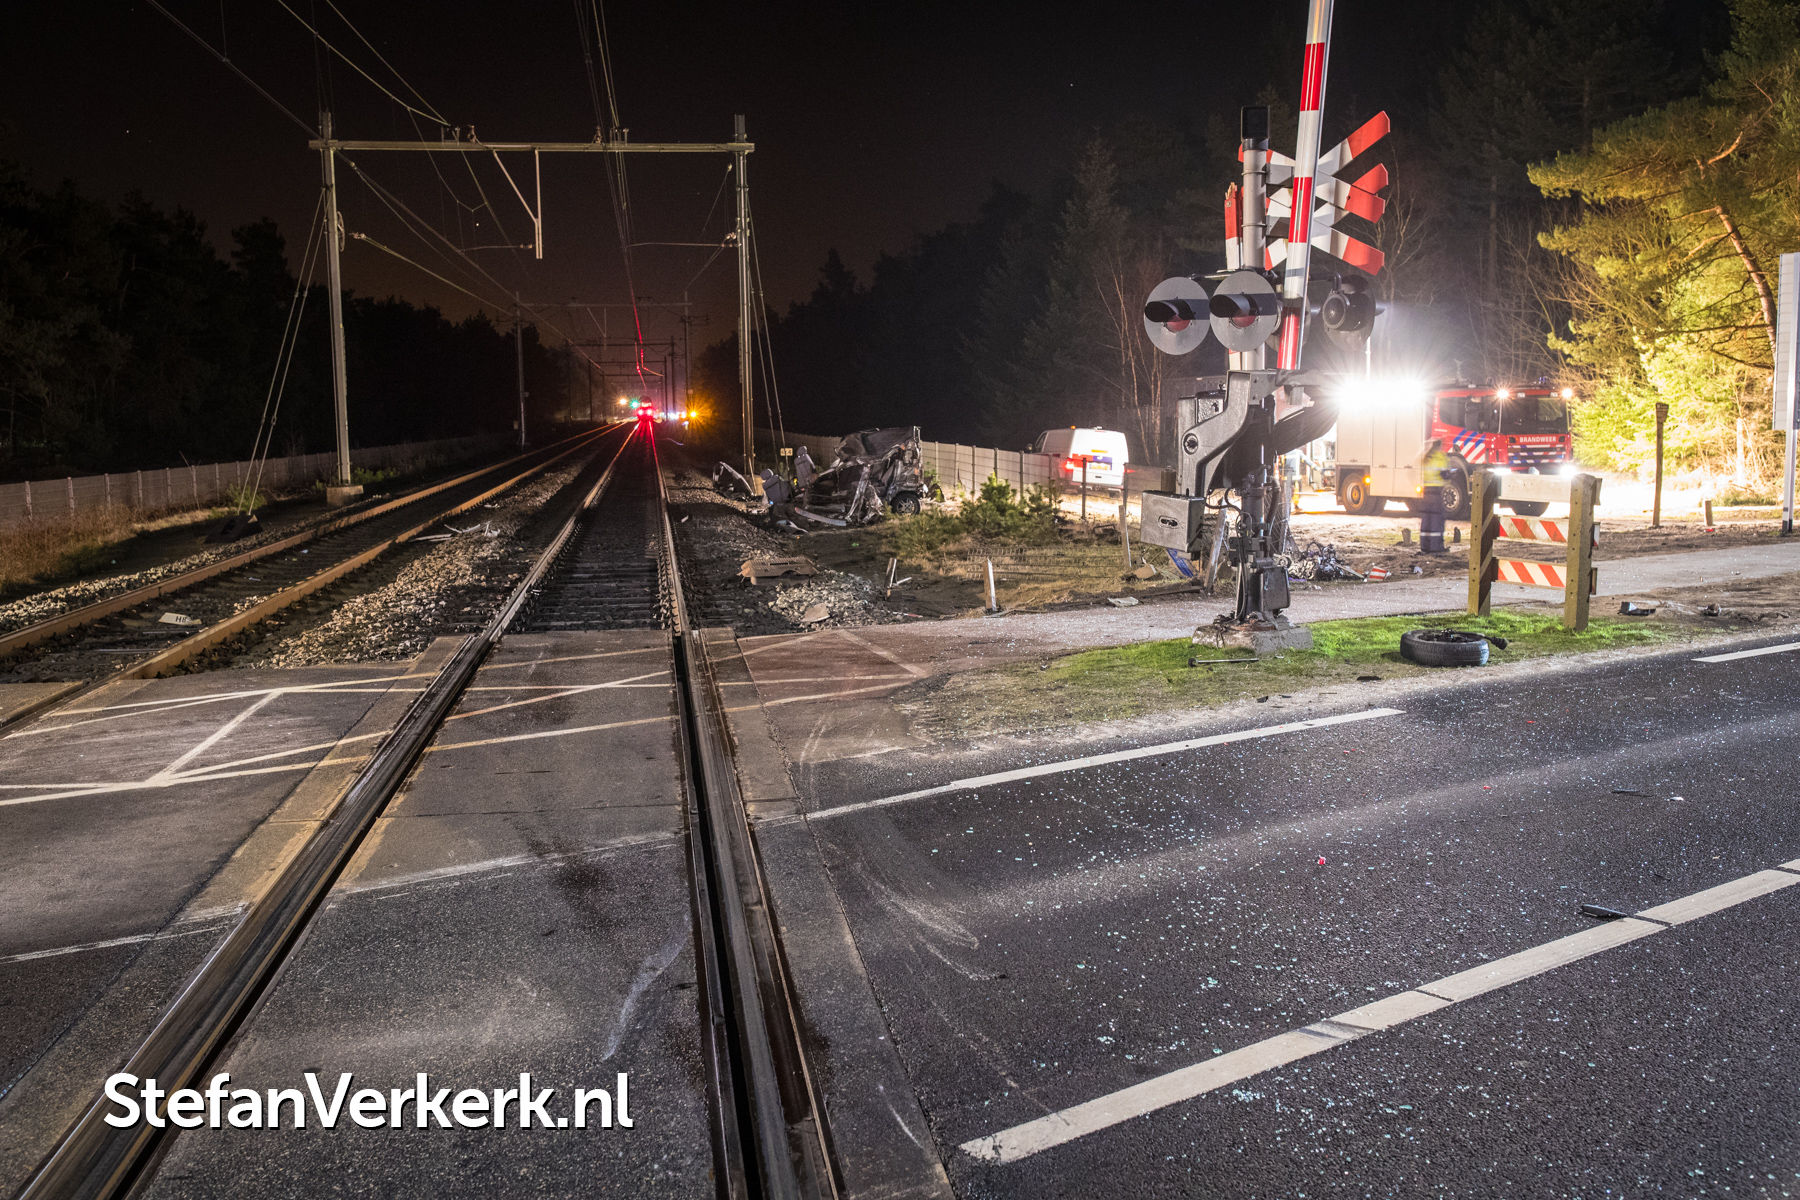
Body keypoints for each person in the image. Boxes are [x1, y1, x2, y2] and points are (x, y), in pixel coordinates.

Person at [1418, 437, 1449, 553]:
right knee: (1437, 521)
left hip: (1426, 493)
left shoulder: (1426, 457)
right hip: (1436, 493)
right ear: (1439, 446)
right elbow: (1445, 475)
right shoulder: (1440, 458)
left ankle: (1425, 546)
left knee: (1426, 521)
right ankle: (1436, 547)